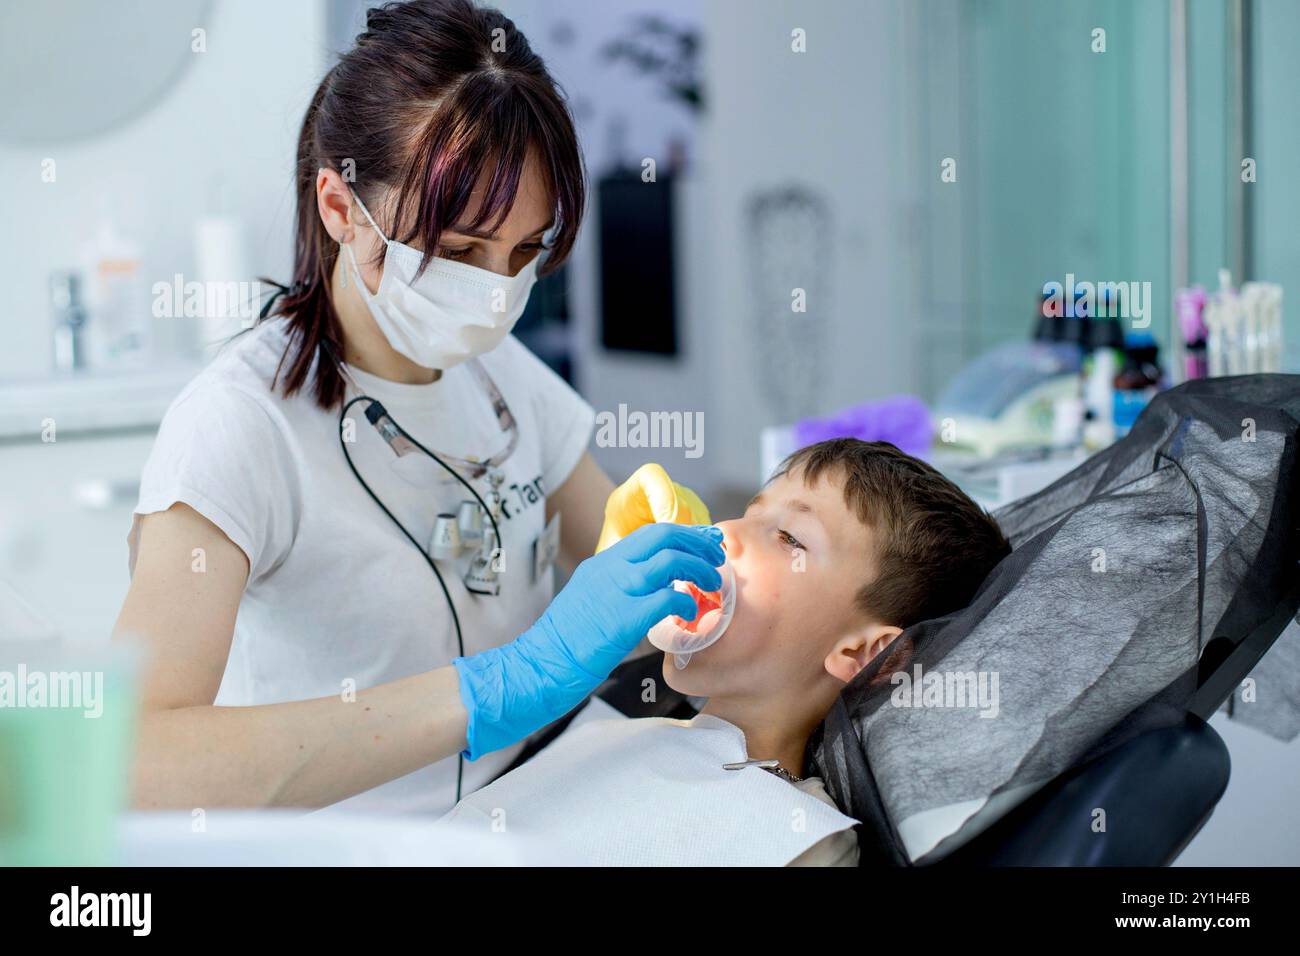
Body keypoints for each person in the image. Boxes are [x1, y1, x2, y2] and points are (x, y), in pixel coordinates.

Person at [111, 0, 712, 815]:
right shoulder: (238, 425)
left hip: (531, 811)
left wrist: (709, 593)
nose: (497, 294)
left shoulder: (502, 374)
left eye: (526, 251)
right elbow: (135, 761)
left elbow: (624, 569)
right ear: (339, 207)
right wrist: (496, 690)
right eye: (461, 251)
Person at [440, 439, 1012, 865]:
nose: (724, 532)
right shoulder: (608, 730)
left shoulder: (801, 840)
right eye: (749, 511)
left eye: (788, 537)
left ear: (863, 653)